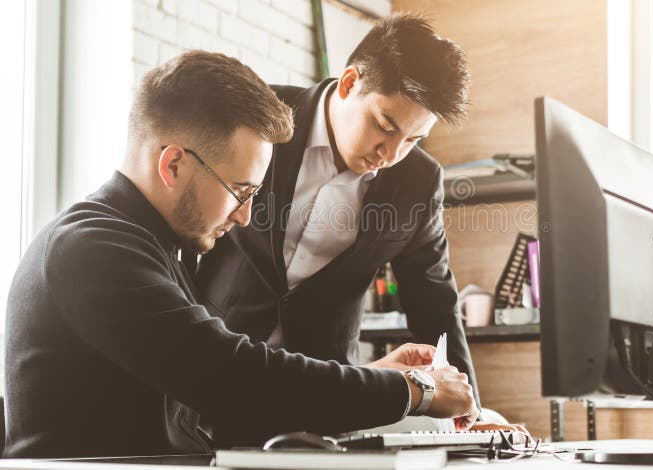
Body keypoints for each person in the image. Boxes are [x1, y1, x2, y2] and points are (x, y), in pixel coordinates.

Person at [3, 51, 478, 459]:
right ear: (173, 164)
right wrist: (416, 390)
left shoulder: (151, 245)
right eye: (240, 190)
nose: (247, 215)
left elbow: (216, 384)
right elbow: (232, 377)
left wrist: (368, 380)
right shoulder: (94, 250)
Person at [195, 14, 481, 408]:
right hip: (217, 370)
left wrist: (470, 410)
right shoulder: (257, 118)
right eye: (385, 125)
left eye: (413, 140)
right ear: (349, 83)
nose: (392, 154)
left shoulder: (419, 180)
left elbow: (434, 300)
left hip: (330, 395)